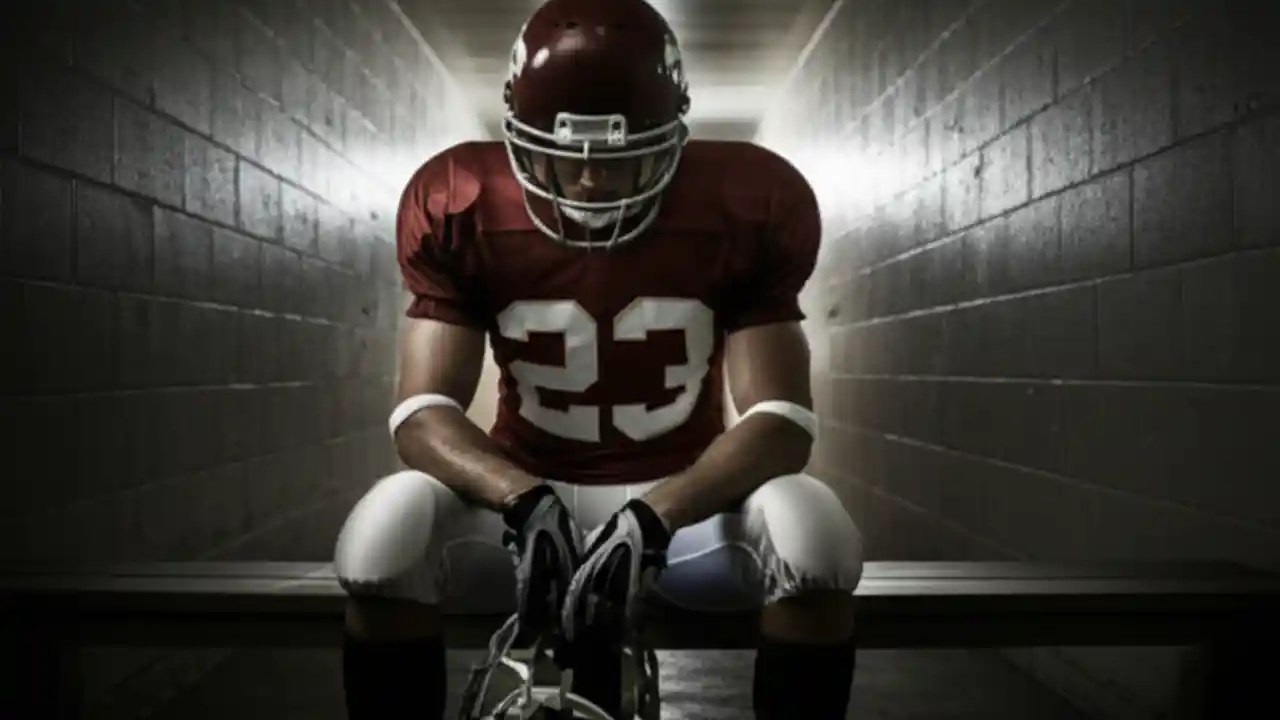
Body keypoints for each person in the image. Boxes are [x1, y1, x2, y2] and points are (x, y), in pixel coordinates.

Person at [332, 0, 864, 717]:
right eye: (561, 155)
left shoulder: (745, 203)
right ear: (520, 137)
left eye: (619, 156)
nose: (586, 180)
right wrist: (519, 498)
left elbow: (781, 419)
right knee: (380, 535)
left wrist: (654, 518)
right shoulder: (461, 202)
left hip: (682, 516)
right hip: (526, 511)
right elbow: (422, 414)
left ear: (671, 137)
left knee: (815, 534)